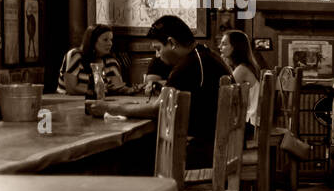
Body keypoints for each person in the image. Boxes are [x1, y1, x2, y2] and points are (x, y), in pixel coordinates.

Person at [93, 15, 232, 169]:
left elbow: (158, 109)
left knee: (123, 155)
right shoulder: (206, 54)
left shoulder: (187, 66)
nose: (157, 56)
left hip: (203, 152)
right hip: (221, 146)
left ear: (171, 43)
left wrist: (108, 108)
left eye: (158, 49)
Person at [58, 24, 129, 96]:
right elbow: (71, 88)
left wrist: (130, 90)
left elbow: (117, 87)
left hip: (100, 101)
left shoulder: (111, 61)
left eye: (111, 40)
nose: (110, 43)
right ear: (92, 41)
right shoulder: (75, 55)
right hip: (69, 102)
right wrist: (96, 90)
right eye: (105, 40)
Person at [218, 29, 262, 137]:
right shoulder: (243, 67)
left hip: (250, 124)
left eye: (224, 44)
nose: (220, 47)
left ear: (235, 47)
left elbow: (223, 94)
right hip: (250, 121)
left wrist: (222, 64)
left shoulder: (242, 69)